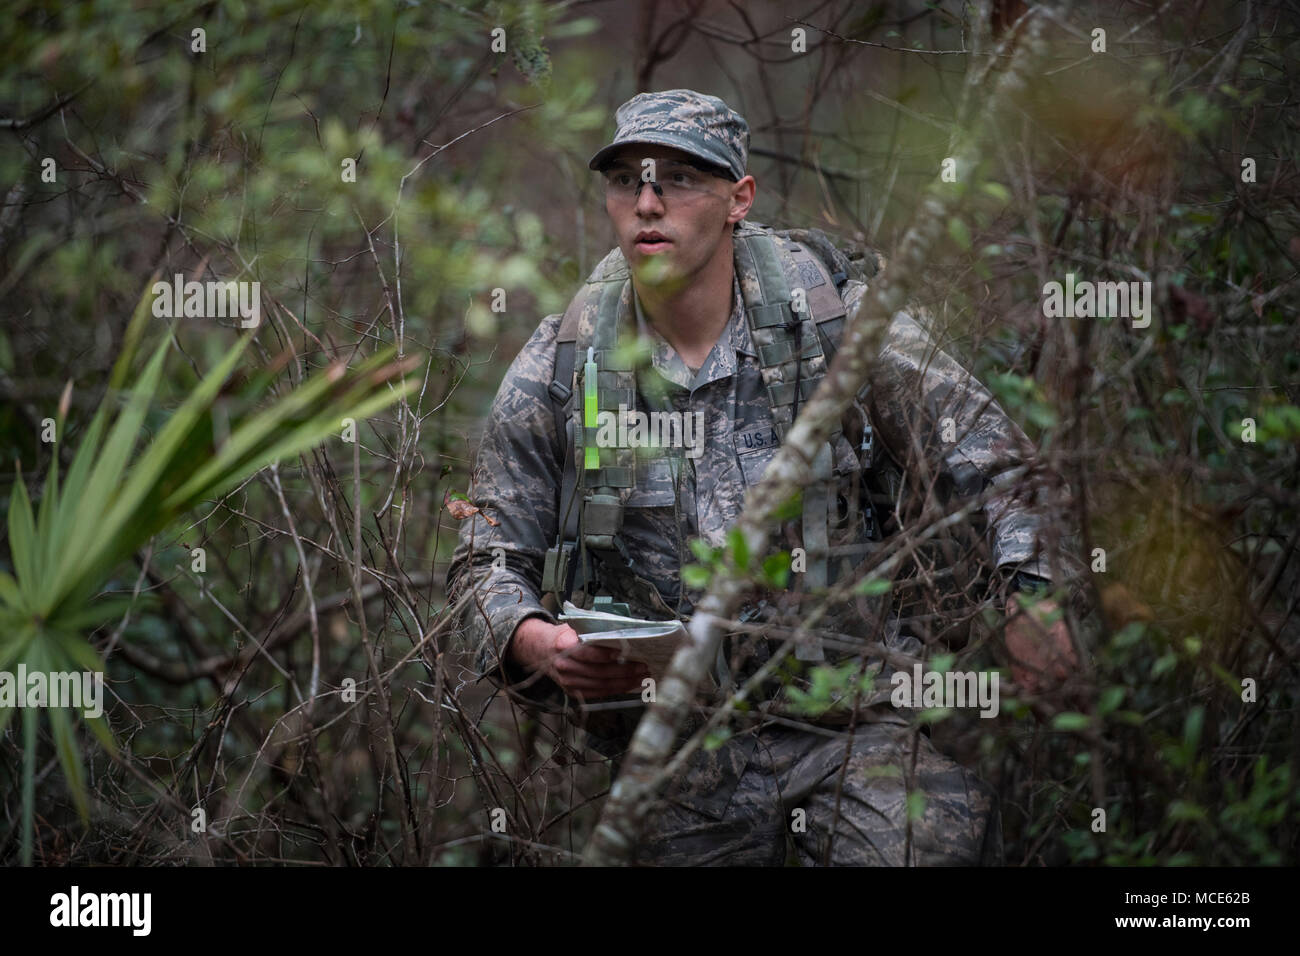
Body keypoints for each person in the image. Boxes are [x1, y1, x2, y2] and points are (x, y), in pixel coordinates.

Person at [447, 89, 1079, 865]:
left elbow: (1002, 463)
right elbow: (487, 557)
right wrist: (533, 641)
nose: (647, 203)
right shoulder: (565, 360)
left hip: (857, 722)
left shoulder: (833, 322)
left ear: (738, 198)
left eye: (678, 179)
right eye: (627, 182)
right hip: (675, 751)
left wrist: (1037, 598)